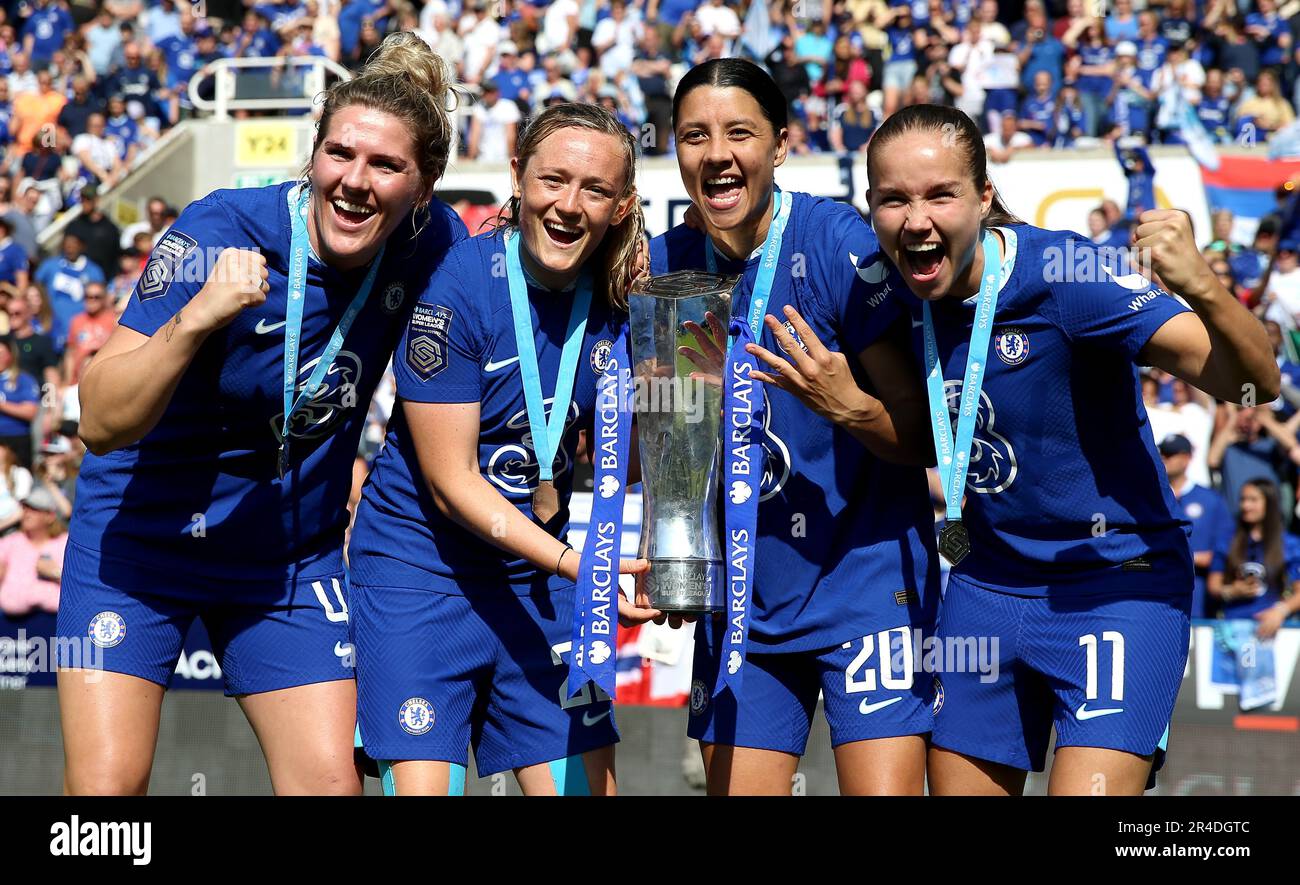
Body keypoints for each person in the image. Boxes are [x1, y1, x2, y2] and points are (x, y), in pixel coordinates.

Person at [54, 32, 464, 796]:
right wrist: (195, 321)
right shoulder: (222, 229)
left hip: (286, 558)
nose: (355, 181)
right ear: (312, 154)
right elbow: (99, 418)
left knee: (333, 786)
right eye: (339, 153)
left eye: (386, 165)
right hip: (142, 542)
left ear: (425, 184)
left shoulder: (431, 242)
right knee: (107, 789)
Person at [862, 103, 1278, 795]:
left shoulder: (1067, 275)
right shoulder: (882, 290)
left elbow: (1253, 381)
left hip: (1115, 584)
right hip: (984, 587)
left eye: (941, 194)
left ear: (985, 197)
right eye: (893, 199)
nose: (916, 219)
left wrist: (1202, 282)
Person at [347, 102, 657, 797]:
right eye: (552, 180)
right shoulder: (457, 287)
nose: (569, 205)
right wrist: (584, 566)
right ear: (517, 175)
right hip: (420, 577)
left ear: (622, 204)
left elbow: (626, 463)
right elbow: (452, 484)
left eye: (595, 189)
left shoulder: (620, 296)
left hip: (536, 579)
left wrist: (669, 379)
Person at [650, 58, 938, 796]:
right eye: (694, 135)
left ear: (780, 145)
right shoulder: (669, 265)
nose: (717, 153)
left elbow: (923, 434)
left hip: (865, 590)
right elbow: (679, 439)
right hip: (744, 598)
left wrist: (854, 408)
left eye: (739, 132)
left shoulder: (839, 243)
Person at [1208, 479, 1300, 639]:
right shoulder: (1228, 541)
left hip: (1273, 629)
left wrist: (1279, 611)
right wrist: (1232, 591)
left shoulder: (1289, 545)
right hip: (1231, 628)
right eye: (1243, 499)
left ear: (1270, 503)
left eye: (1253, 500)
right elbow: (1214, 585)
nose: (1246, 506)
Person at [1160, 433, 1231, 620]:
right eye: (1162, 454)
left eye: (1170, 454)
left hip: (1198, 599)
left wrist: (1186, 557)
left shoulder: (1210, 500)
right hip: (1158, 595)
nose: (1163, 459)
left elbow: (1224, 550)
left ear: (1186, 458)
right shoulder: (1152, 498)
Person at [0, 483, 66, 617]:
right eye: (25, 508)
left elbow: (81, 588)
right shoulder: (10, 541)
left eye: (34, 509)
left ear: (50, 516)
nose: (26, 513)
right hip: (11, 629)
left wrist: (56, 573)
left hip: (56, 627)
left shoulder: (65, 543)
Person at [0, 336, 40, 467]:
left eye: (1, 353)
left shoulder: (23, 379)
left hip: (16, 438)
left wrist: (2, 405)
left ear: (11, 355)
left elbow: (30, 412)